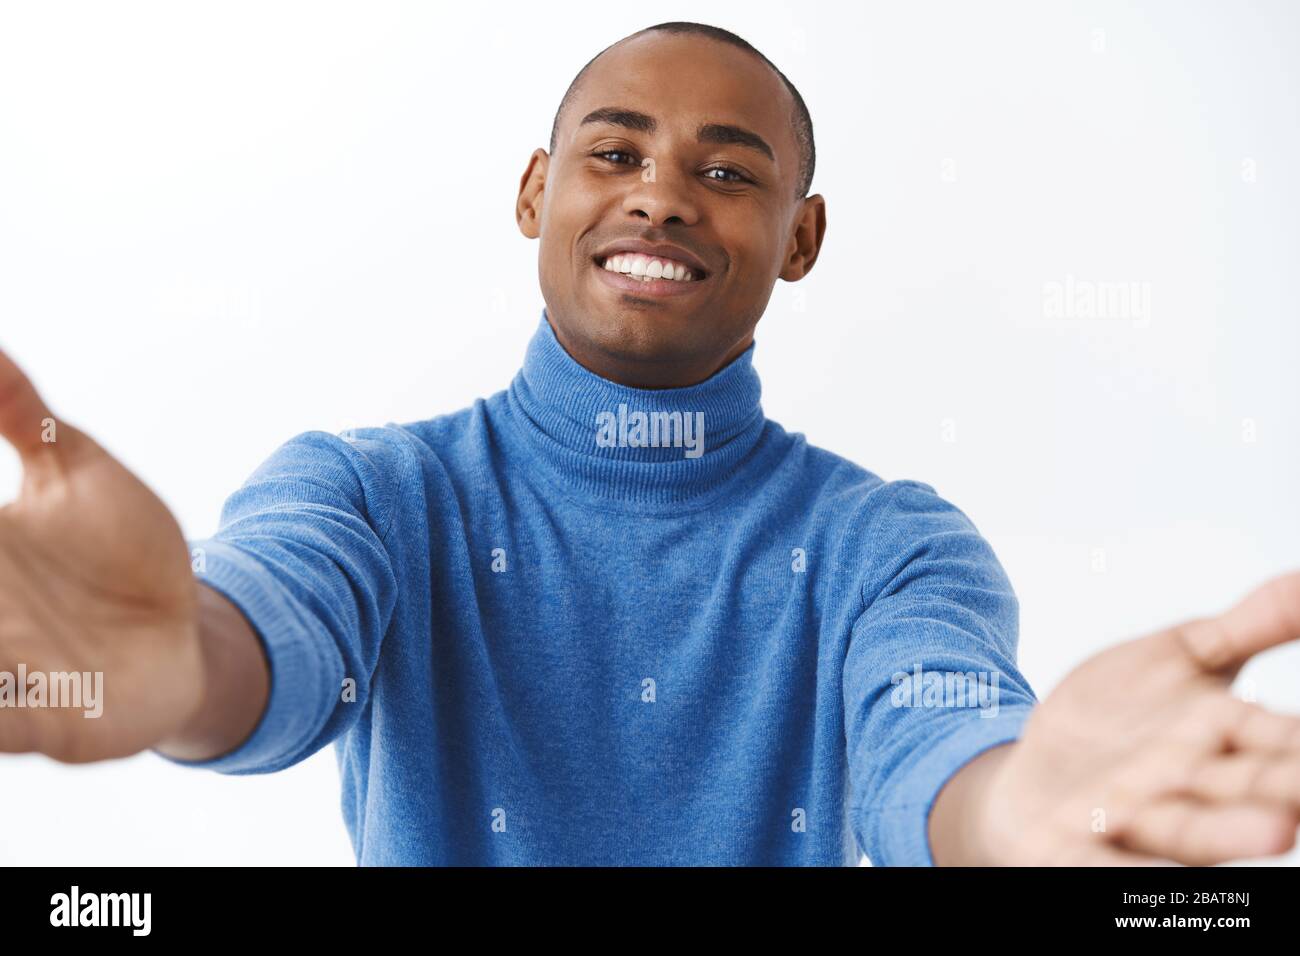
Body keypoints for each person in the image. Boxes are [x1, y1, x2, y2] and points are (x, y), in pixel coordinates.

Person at [1, 21, 1298, 866]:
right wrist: (171, 660)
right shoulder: (373, 492)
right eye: (614, 150)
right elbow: (267, 638)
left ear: (802, 236)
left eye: (729, 171)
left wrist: (1013, 809)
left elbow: (935, 735)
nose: (663, 192)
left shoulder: (888, 545)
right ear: (534, 192)